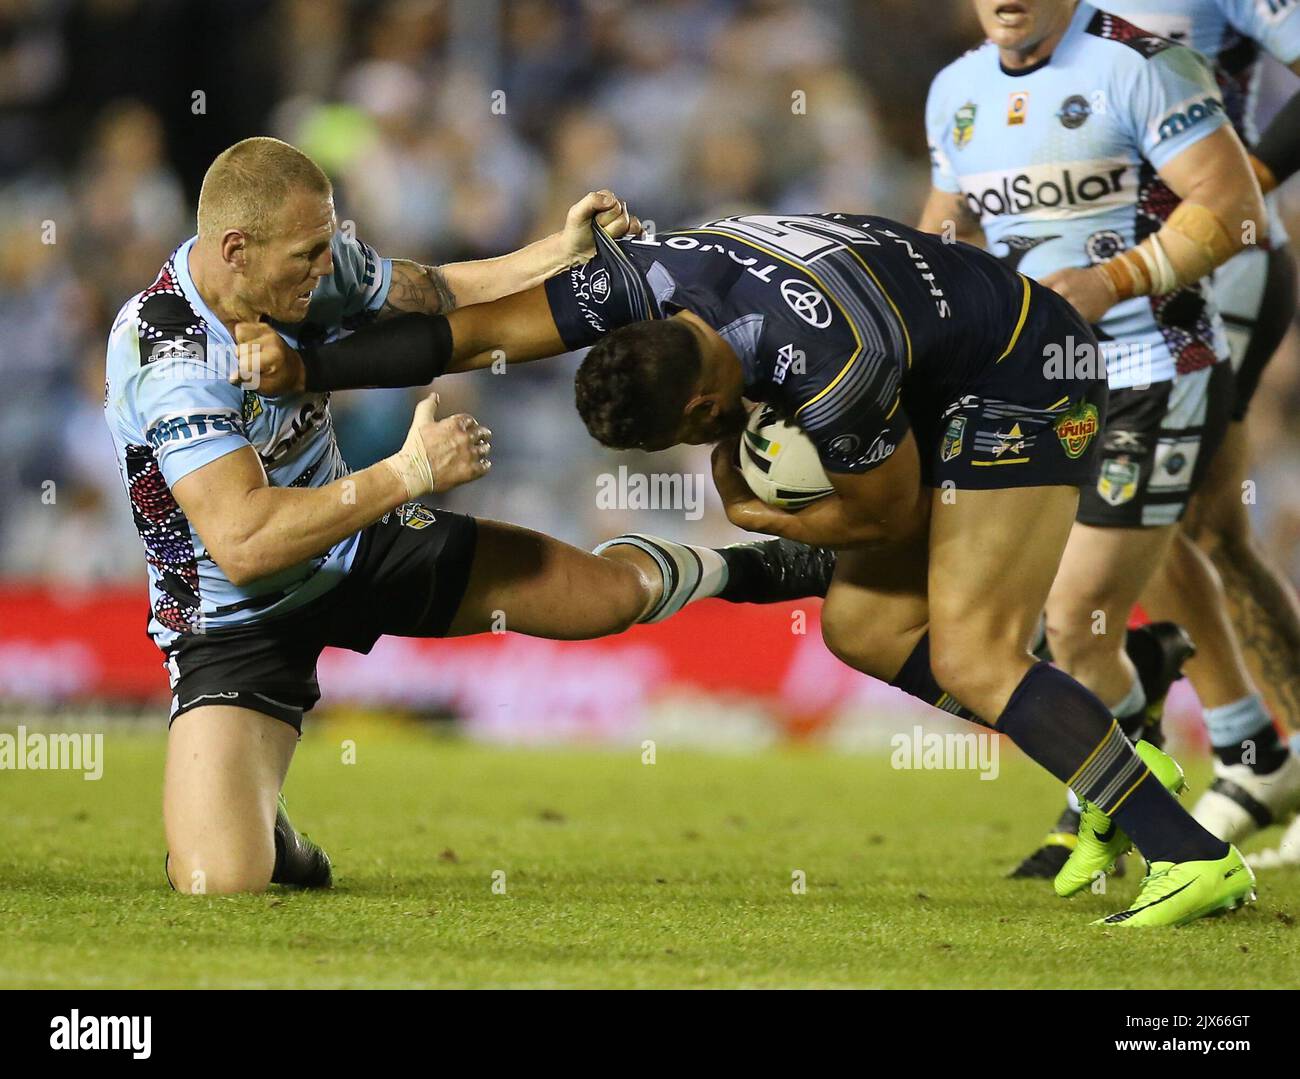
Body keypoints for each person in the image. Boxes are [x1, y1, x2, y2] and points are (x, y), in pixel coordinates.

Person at [257, 209, 1258, 927]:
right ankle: (1116, 751)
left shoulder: (831, 372)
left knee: (971, 646)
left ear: (702, 415)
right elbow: (470, 333)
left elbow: (880, 512)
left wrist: (738, 509)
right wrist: (310, 369)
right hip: (945, 356)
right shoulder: (637, 276)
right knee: (864, 631)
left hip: (1029, 367)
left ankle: (1188, 853)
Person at [105, 137, 832, 896]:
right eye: (311, 253)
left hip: (355, 541)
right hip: (237, 616)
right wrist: (408, 472)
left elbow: (437, 289)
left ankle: (761, 567)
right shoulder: (173, 359)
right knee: (219, 880)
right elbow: (245, 542)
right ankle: (258, 820)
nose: (330, 266)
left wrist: (559, 251)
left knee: (606, 600)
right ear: (235, 250)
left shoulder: (297, 268)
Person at [920, 0, 1295, 876]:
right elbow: (947, 234)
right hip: (1044, 383)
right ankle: (1176, 766)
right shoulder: (955, 91)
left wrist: (1114, 278)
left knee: (1080, 616)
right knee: (1045, 618)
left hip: (1156, 364)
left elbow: (1235, 208)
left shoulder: (1143, 63)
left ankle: (1154, 811)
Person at [1096, 0, 1300, 864]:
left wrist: (1239, 175)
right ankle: (1253, 754)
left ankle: (1252, 751)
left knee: (1177, 515)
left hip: (1222, 267)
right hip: (1117, 281)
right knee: (1189, 522)